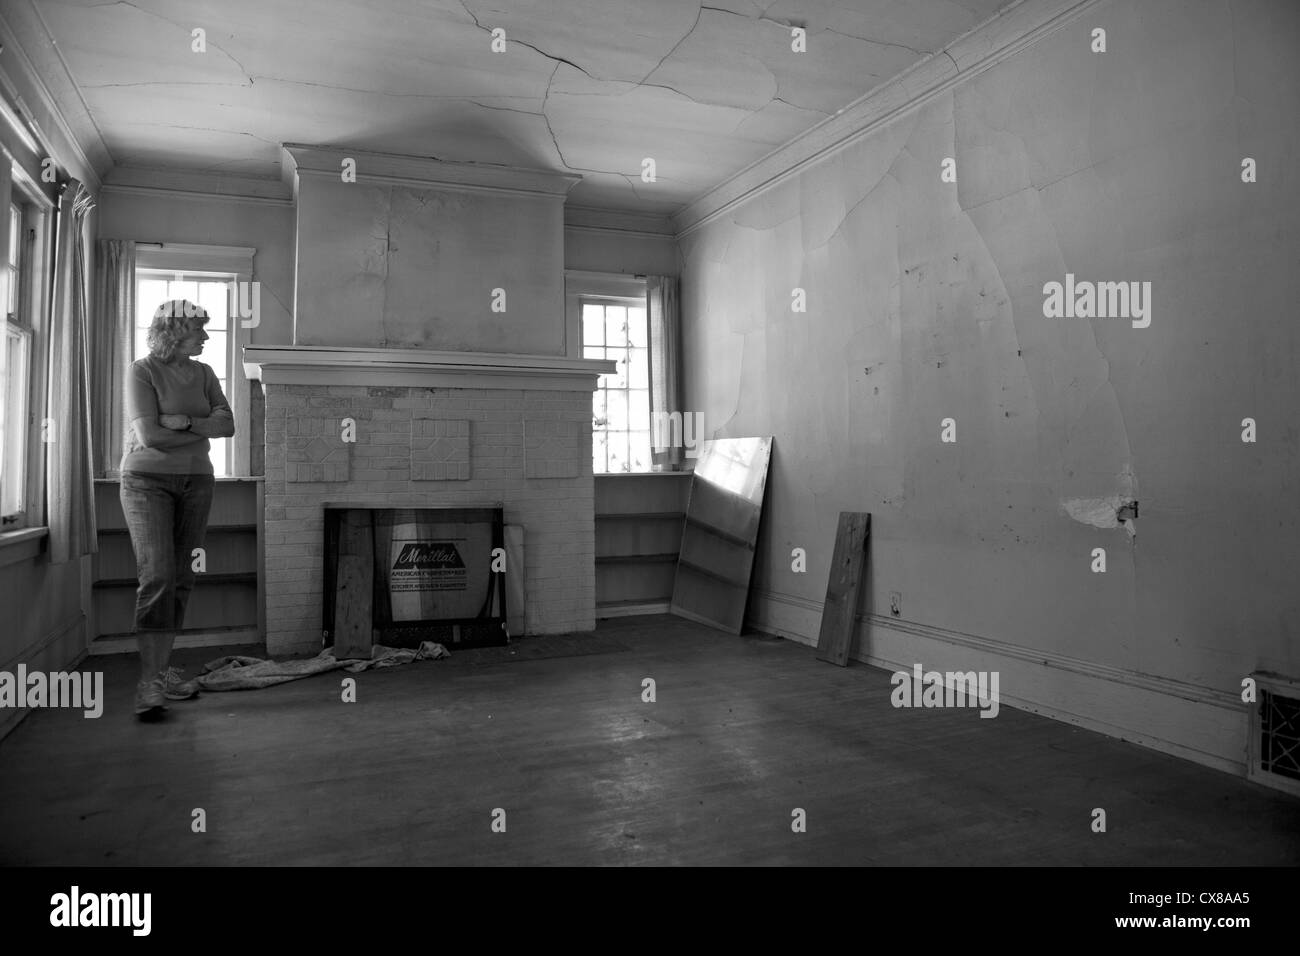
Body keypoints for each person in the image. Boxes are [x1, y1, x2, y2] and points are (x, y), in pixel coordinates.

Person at [119, 299, 235, 719]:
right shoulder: (142, 370)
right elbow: (149, 437)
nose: (205, 337)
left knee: (182, 577)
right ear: (174, 332)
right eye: (198, 330)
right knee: (159, 575)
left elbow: (228, 425)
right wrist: (195, 427)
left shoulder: (204, 373)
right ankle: (148, 684)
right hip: (145, 482)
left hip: (197, 482)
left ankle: (162, 671)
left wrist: (182, 422)